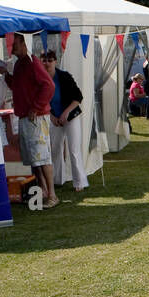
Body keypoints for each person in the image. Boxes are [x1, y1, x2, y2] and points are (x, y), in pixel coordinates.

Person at [3, 33, 57, 208]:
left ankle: (52, 195)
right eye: (11, 45)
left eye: (15, 45)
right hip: (26, 116)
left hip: (36, 117)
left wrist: (35, 107)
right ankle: (43, 191)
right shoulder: (20, 64)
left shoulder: (32, 63)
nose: (12, 48)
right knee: (33, 158)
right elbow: (18, 87)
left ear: (24, 43)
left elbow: (49, 86)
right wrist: (6, 75)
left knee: (42, 156)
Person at [43, 50, 88, 193]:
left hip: (71, 115)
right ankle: (57, 179)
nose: (47, 63)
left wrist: (65, 114)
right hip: (54, 117)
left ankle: (79, 181)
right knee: (55, 149)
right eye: (44, 60)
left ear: (55, 61)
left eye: (50, 60)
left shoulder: (64, 76)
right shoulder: (40, 79)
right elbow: (41, 102)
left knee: (74, 149)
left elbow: (78, 97)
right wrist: (52, 117)